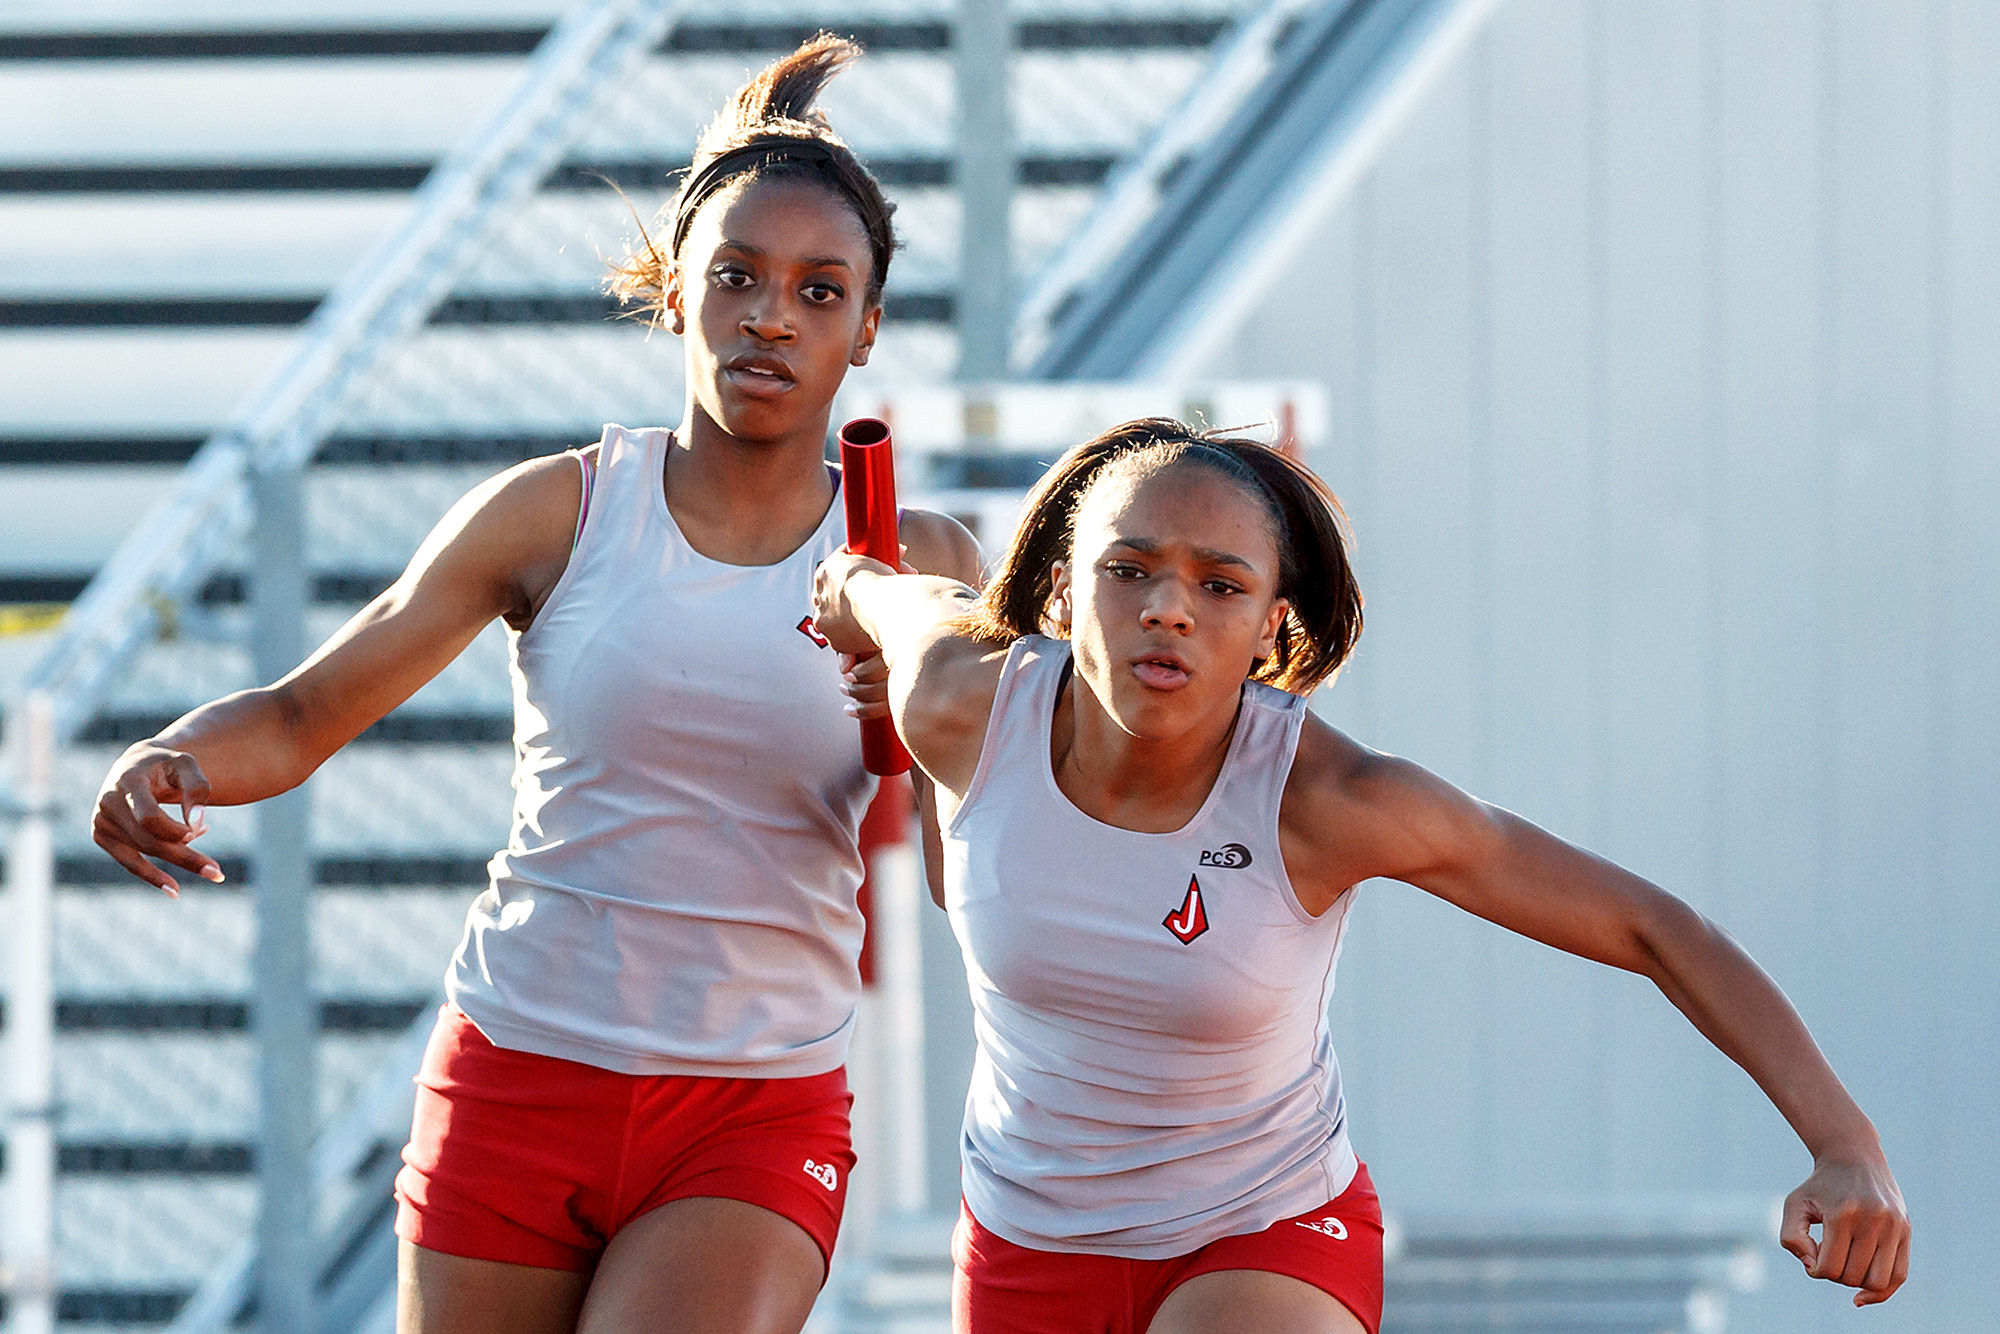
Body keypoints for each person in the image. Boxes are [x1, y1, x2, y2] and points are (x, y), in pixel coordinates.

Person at [89, 36, 980, 1334]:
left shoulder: (918, 562)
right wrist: (166, 758)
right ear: (675, 292)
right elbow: (298, 714)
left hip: (750, 1107)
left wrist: (930, 716)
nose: (771, 315)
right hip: (519, 1070)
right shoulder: (556, 512)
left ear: (867, 328)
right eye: (735, 275)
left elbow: (976, 870)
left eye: (818, 290)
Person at [808, 418, 1910, 1334]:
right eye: (1128, 569)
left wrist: (1845, 1145)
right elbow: (878, 590)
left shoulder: (1328, 799)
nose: (1167, 608)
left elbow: (1654, 928)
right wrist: (849, 591)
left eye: (1220, 585)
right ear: (1061, 591)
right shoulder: (954, 696)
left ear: (1268, 629)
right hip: (1024, 1242)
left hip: (1264, 1230)